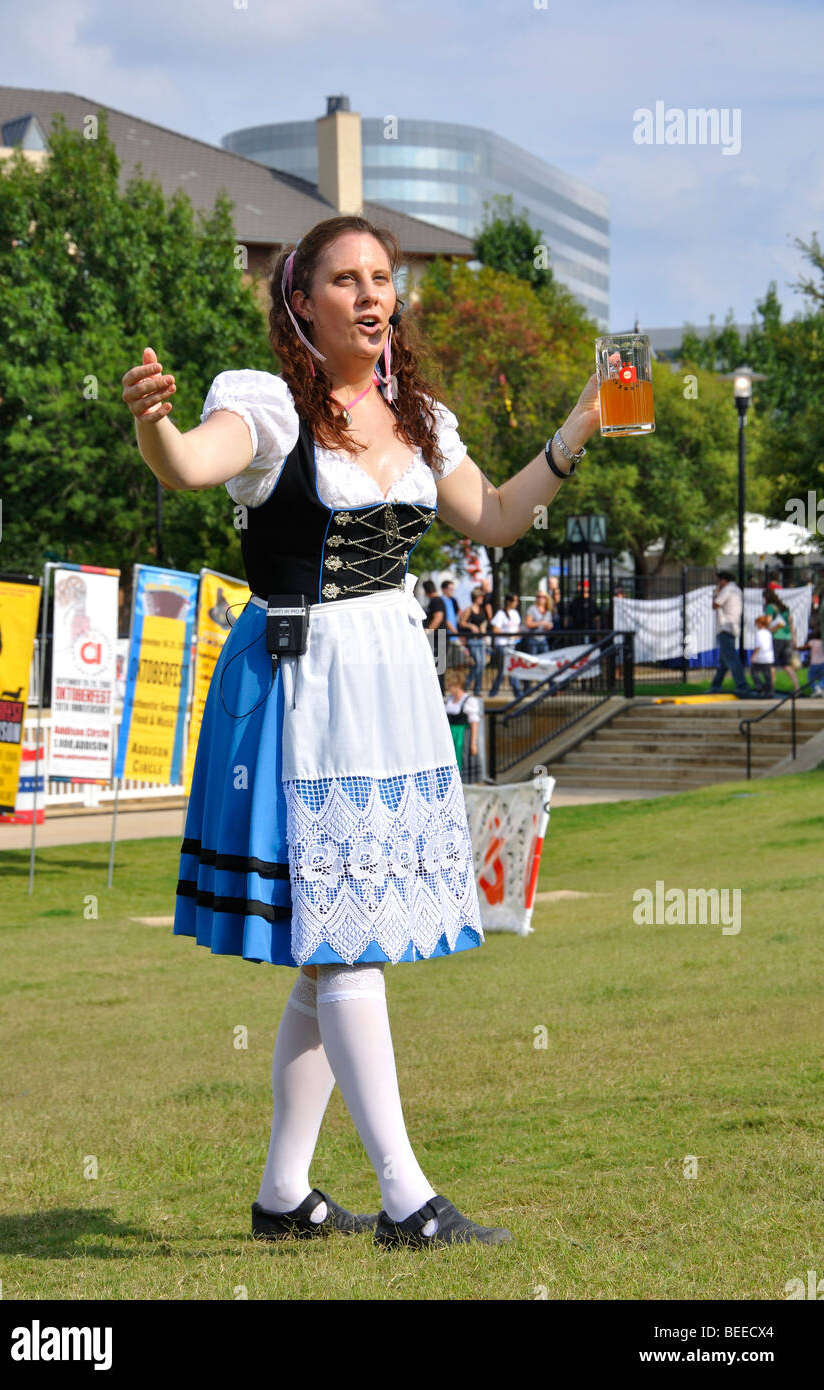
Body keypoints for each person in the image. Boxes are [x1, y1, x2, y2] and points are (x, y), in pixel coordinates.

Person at [123, 213, 599, 1251]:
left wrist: (578, 425)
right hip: (306, 693)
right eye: (344, 279)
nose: (371, 294)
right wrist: (152, 425)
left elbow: (500, 516)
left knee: (328, 950)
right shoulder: (268, 411)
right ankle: (404, 1197)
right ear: (301, 301)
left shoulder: (420, 417)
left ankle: (283, 1196)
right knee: (347, 941)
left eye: (381, 276)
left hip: (390, 685)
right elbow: (191, 468)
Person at [707, 571, 753, 697]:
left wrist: (715, 593)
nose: (718, 584)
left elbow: (715, 605)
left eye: (718, 581)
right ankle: (716, 685)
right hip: (733, 626)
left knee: (731, 659)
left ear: (723, 580)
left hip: (726, 627)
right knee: (724, 661)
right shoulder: (736, 589)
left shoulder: (727, 590)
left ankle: (742, 685)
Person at [444, 668, 482, 783]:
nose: (449, 688)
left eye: (450, 686)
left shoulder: (468, 701)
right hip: (450, 735)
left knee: (462, 758)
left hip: (462, 735)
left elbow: (474, 723)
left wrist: (473, 743)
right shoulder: (449, 700)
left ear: (457, 685)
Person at [764, 582, 801, 694]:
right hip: (788, 638)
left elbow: (768, 622)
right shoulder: (785, 608)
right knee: (787, 665)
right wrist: (794, 638)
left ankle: (771, 689)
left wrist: (767, 628)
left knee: (772, 664)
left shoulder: (770, 607)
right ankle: (797, 688)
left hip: (776, 638)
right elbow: (791, 624)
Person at [488, 593, 524, 699]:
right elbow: (495, 629)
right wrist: (508, 636)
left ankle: (494, 692)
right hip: (502, 646)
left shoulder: (515, 613)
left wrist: (516, 636)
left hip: (512, 645)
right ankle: (517, 693)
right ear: (509, 601)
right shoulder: (501, 613)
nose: (516, 603)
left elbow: (517, 629)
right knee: (507, 669)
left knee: (507, 670)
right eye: (515, 601)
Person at [457, 587, 491, 696]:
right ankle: (468, 687)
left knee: (481, 665)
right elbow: (462, 622)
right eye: (481, 597)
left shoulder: (481, 610)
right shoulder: (469, 609)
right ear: (476, 598)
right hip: (473, 640)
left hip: (480, 640)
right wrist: (471, 626)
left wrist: (486, 639)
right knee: (478, 664)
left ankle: (474, 688)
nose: (482, 599)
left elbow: (483, 624)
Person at [421, 579, 448, 693]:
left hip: (438, 637)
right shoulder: (437, 600)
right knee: (436, 668)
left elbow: (438, 617)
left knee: (437, 669)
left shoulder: (436, 601)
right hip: (437, 637)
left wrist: (428, 631)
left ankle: (440, 693)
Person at [520, 590, 555, 655]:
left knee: (545, 659)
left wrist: (549, 626)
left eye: (543, 597)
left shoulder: (548, 611)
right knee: (533, 661)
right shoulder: (532, 609)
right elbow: (528, 623)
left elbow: (548, 624)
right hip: (533, 639)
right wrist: (541, 623)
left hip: (543, 639)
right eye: (538, 597)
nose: (541, 599)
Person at [750, 615, 775, 697]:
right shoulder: (768, 633)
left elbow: (759, 646)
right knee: (767, 674)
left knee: (754, 671)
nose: (756, 626)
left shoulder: (759, 633)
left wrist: (753, 656)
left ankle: (760, 686)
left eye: (757, 624)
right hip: (769, 657)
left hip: (760, 657)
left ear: (761, 624)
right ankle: (770, 691)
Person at [800, 620, 824, 696]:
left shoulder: (812, 642)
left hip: (814, 663)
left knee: (811, 677)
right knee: (822, 677)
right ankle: (820, 687)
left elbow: (802, 648)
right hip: (823, 663)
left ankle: (816, 688)